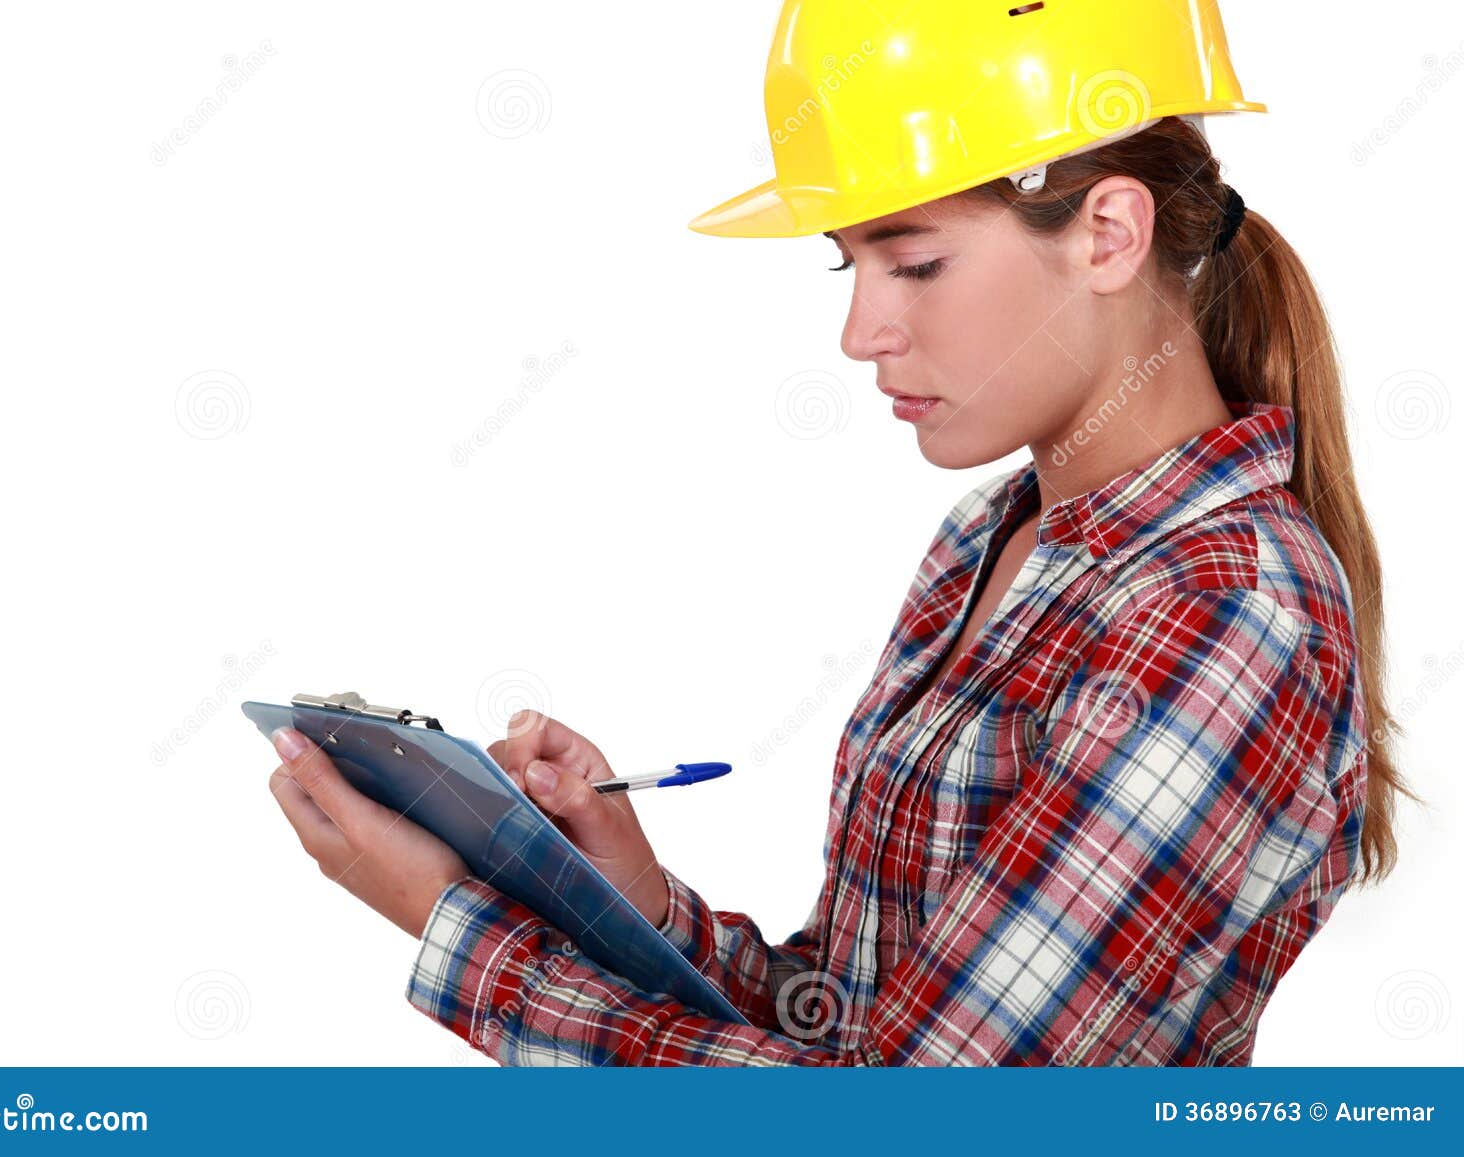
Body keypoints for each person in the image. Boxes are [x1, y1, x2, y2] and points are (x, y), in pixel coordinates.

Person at [265, 0, 1415, 1064]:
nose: (862, 330)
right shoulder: (987, 541)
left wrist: (455, 930)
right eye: (848, 263)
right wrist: (638, 902)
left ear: (1109, 234)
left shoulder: (1219, 612)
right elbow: (851, 1021)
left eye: (914, 262)